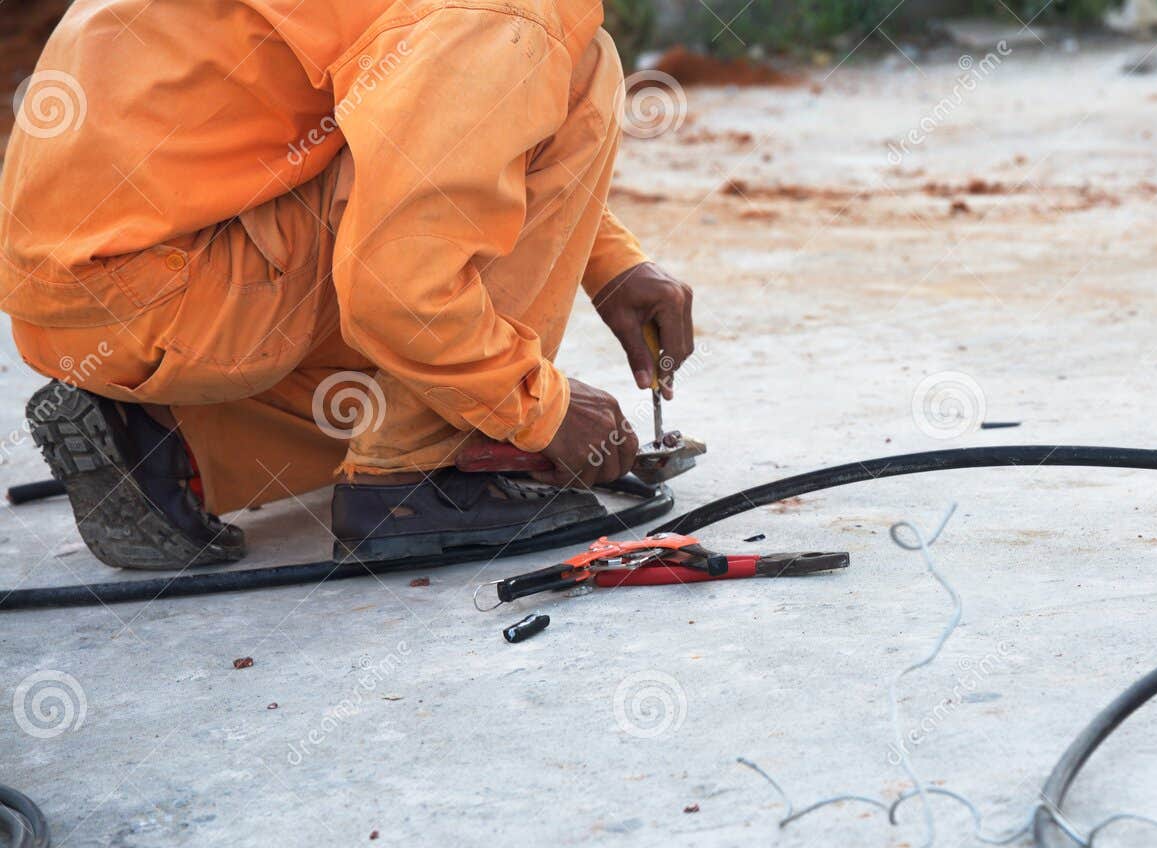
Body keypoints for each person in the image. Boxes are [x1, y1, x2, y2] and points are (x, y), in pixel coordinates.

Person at [0, 0, 694, 567]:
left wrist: (609, 264)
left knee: (393, 379)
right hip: (175, 289)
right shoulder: (514, 10)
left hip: (81, 293)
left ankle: (171, 441)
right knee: (577, 69)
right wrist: (535, 407)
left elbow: (444, 130)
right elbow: (399, 292)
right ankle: (420, 475)